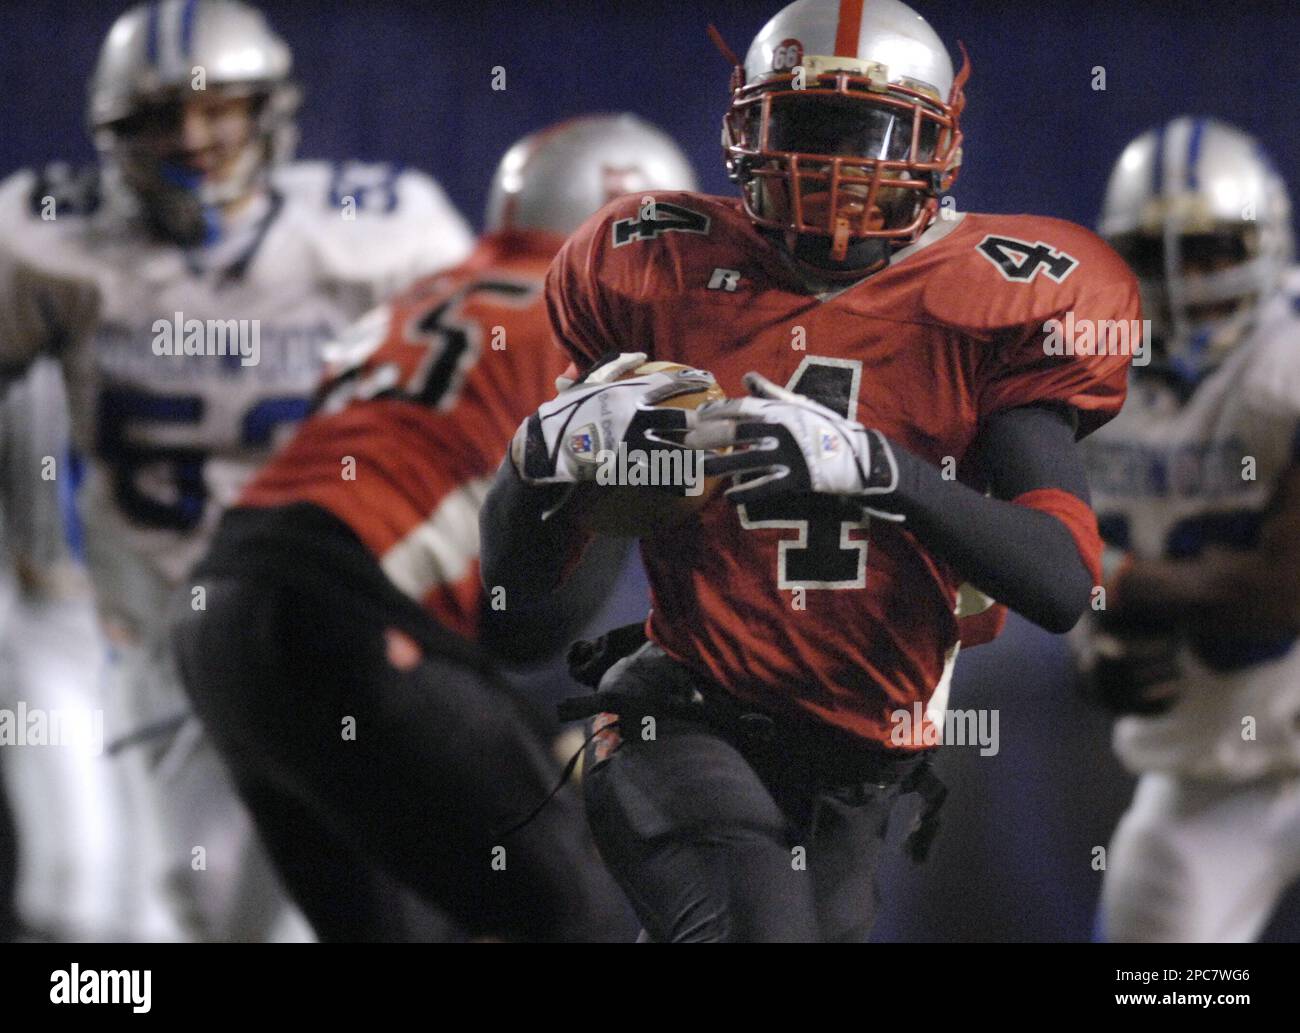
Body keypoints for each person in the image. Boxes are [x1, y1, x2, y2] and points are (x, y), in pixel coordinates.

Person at [480, 0, 1138, 942]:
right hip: (681, 717)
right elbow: (522, 602)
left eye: (860, 128)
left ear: (934, 144)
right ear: (747, 126)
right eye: (802, 124)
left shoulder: (989, 306)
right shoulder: (656, 267)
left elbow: (1059, 579)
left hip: (858, 767)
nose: (827, 166)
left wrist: (880, 472)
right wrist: (537, 461)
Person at [0, 0, 473, 940]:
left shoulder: (373, 231)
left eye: (219, 107)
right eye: (162, 115)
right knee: (182, 909)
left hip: (325, 615)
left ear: (269, 109)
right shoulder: (50, 241)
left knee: (319, 903)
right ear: (112, 133)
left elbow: (485, 389)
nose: (194, 136)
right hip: (160, 621)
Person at [172, 114, 698, 941]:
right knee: (573, 918)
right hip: (344, 620)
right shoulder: (599, 338)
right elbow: (531, 625)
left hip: (218, 617)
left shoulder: (429, 292)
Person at [1076, 117, 1300, 942]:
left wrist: (1112, 580)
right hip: (1212, 775)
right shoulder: (1083, 377)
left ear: (1269, 239)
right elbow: (1039, 556)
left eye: (1211, 249)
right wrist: (1088, 641)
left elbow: (1282, 596)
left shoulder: (1287, 360)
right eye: (1154, 254)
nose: (1185, 282)